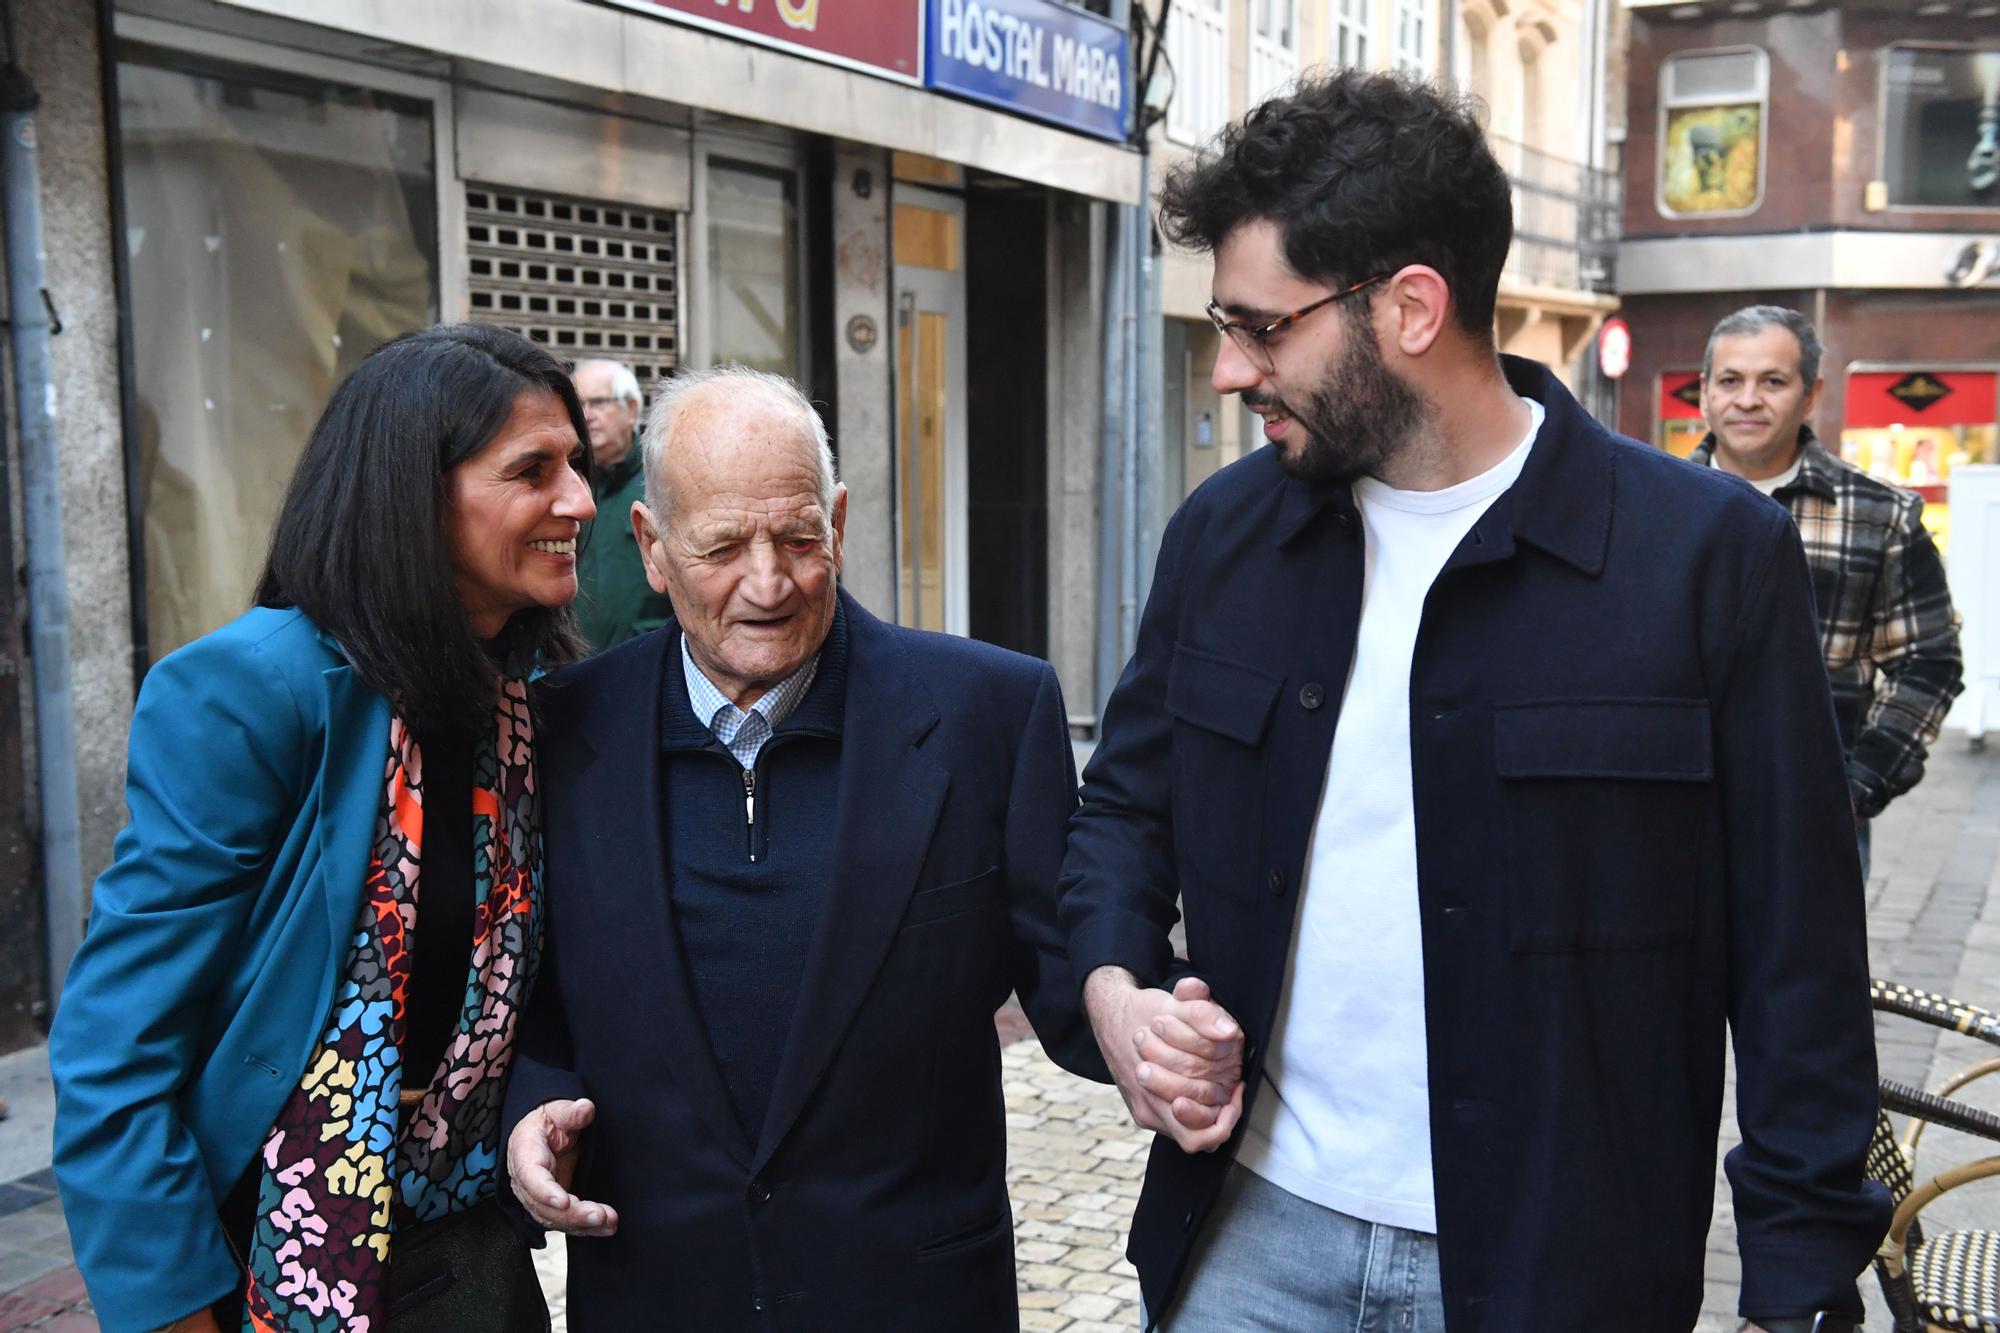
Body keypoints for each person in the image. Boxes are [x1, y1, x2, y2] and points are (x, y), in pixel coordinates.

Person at [1058, 71, 1889, 1333]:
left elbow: (1797, 961)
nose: (1230, 371)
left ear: (1406, 307)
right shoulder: (1222, 538)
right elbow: (1121, 810)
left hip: (1562, 1264)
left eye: (1261, 327)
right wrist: (1112, 989)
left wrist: (1797, 1284)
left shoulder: (1701, 560)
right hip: (1244, 1238)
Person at [501, 365, 1106, 1330]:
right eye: (723, 546)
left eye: (796, 537)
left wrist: (1164, 1011)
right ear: (652, 548)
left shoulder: (989, 712)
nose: (769, 582)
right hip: (659, 1298)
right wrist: (534, 1102)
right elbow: (534, 998)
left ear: (841, 521)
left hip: (912, 1299)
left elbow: (1079, 985)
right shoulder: (560, 728)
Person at [50, 324, 597, 1333]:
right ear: (414, 496)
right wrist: (172, 1308)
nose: (579, 500)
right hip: (269, 1256)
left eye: (576, 464)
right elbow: (114, 1048)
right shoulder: (253, 691)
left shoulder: (527, 704)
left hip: (466, 1248)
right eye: (534, 470)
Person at [1694, 305, 1963, 879]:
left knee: (1812, 970)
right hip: (1673, 815)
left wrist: (1856, 787)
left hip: (1813, 824)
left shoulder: (1879, 515)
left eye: (1772, 381)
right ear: (1704, 393)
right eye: (1730, 380)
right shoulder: (1650, 507)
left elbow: (1929, 661)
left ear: (1810, 395)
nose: (1746, 400)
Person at [572, 357, 672, 652]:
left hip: (646, 659)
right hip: (572, 665)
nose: (587, 415)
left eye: (600, 402)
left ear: (630, 409)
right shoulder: (567, 483)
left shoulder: (661, 478)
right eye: (579, 405)